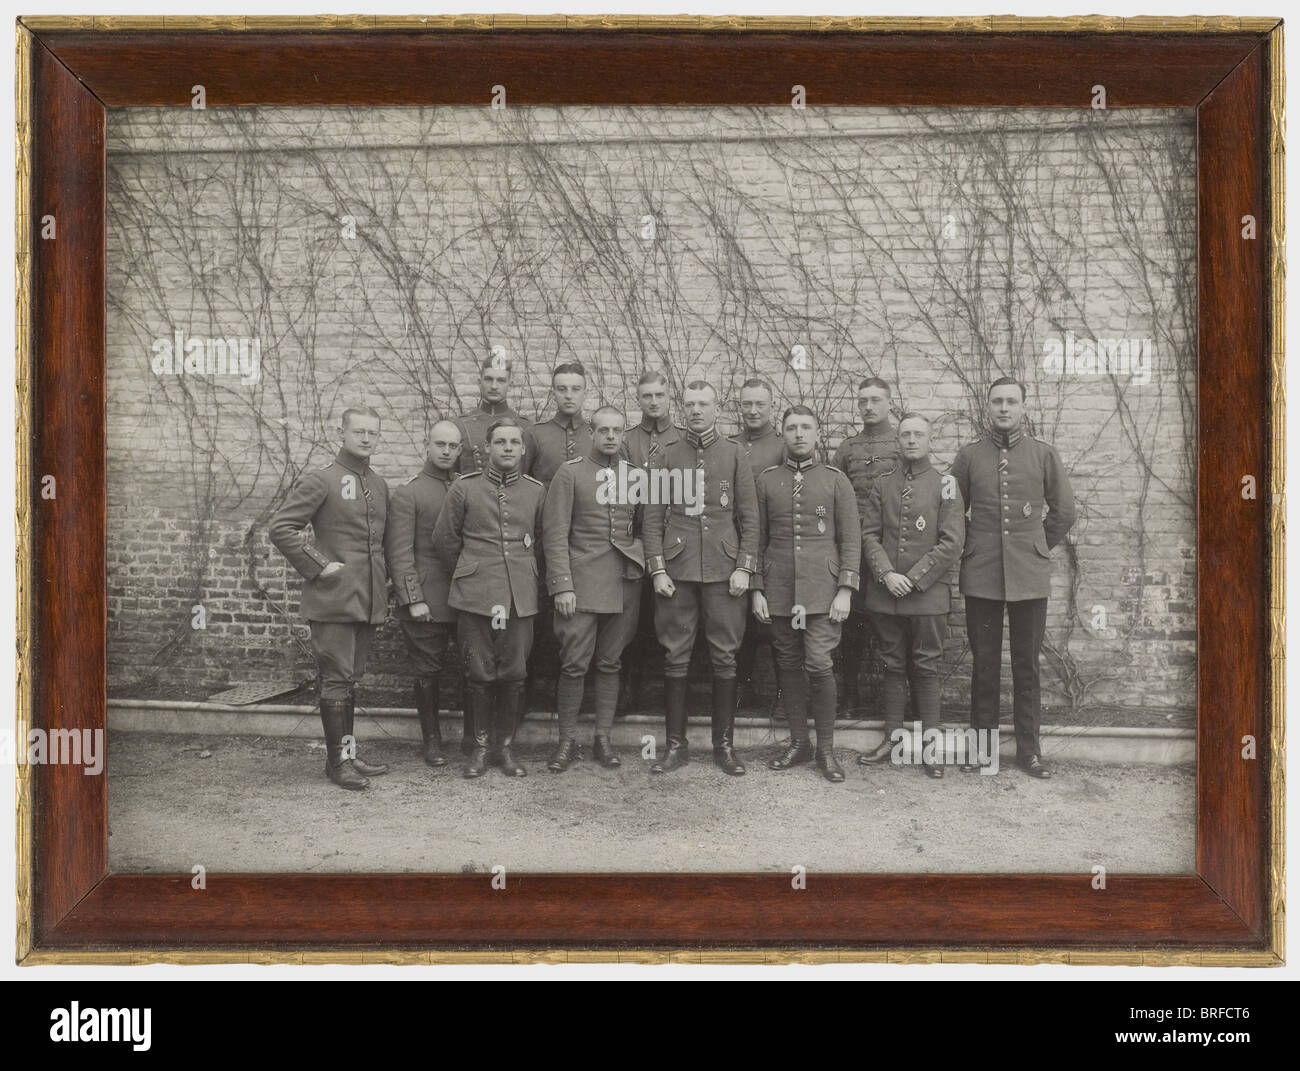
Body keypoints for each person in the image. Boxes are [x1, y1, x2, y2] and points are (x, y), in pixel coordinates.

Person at [950, 377, 1076, 778]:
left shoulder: (1043, 455)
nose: (1004, 408)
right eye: (997, 402)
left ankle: (1029, 752)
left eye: (1012, 402)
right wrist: (974, 546)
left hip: (1029, 573)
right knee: (984, 663)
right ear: (988, 407)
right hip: (982, 572)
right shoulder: (968, 457)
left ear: (1024, 406)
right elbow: (953, 512)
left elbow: (1064, 511)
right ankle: (982, 750)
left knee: (1027, 665)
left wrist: (1037, 545)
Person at [269, 406, 390, 791]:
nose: (366, 438)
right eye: (358, 431)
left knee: (350, 680)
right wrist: (318, 566)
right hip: (334, 599)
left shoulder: (378, 484)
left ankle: (349, 754)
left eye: (372, 432)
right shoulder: (322, 480)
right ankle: (337, 763)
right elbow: (282, 528)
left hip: (367, 599)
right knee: (336, 681)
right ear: (342, 432)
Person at [642, 380, 759, 775]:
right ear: (683, 407)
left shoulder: (734, 453)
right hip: (677, 568)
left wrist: (744, 566)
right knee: (676, 654)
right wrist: (657, 568)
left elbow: (750, 518)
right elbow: (653, 516)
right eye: (690, 404)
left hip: (726, 571)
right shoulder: (667, 454)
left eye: (703, 404)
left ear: (716, 407)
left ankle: (723, 747)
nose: (696, 411)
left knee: (725, 655)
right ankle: (676, 746)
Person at [431, 418, 545, 778]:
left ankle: (505, 749)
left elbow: (543, 540)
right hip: (476, 594)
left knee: (514, 672)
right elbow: (444, 540)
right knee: (478, 672)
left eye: (514, 442)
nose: (508, 448)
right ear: (487, 448)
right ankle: (479, 749)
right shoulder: (465, 488)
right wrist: (471, 573)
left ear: (524, 449)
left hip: (518, 596)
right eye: (500, 442)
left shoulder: (535, 491)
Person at [751, 406, 860, 782]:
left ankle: (825, 750)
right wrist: (757, 589)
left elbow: (851, 540)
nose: (799, 434)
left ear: (817, 433)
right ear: (782, 434)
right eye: (792, 428)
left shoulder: (836, 481)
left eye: (806, 428)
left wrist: (845, 589)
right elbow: (758, 539)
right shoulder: (767, 481)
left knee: (818, 663)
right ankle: (799, 743)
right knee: (788, 664)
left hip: (822, 590)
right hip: (780, 588)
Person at [859, 414, 965, 777]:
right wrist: (887, 573)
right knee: (892, 664)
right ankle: (893, 737)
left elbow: (952, 542)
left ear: (930, 440)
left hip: (926, 596)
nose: (911, 440)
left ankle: (931, 746)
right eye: (905, 434)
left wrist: (914, 577)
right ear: (897, 440)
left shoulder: (946, 484)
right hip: (886, 594)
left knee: (926, 665)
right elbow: (869, 534)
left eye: (918, 434)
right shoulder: (882, 484)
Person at [541, 406, 644, 771]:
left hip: (623, 583)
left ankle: (603, 738)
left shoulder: (635, 476)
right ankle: (566, 741)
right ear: (592, 433)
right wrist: (562, 586)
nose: (612, 437)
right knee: (573, 665)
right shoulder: (570, 474)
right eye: (604, 431)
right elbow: (554, 535)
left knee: (610, 662)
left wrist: (639, 562)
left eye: (618, 431)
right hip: (580, 584)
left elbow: (647, 529)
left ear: (624, 435)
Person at [383, 419, 463, 767]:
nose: (446, 451)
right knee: (427, 671)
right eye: (440, 444)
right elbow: (399, 552)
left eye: (453, 446)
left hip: (465, 598)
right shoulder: (409, 492)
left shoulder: (465, 486)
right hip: (426, 601)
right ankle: (431, 741)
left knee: (474, 669)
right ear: (426, 445)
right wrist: (413, 599)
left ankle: (474, 739)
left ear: (460, 450)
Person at [832, 377, 899, 711]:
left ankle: (898, 702)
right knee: (853, 625)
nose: (869, 407)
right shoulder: (847, 449)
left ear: (889, 402)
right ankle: (850, 695)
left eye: (875, 400)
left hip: (892, 550)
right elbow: (833, 497)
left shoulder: (903, 443)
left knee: (893, 624)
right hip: (855, 549)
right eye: (863, 401)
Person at [619, 371, 678, 712]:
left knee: (672, 618)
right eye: (647, 396)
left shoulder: (683, 439)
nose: (653, 402)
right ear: (638, 399)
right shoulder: (628, 441)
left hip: (674, 542)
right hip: (635, 542)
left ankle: (669, 696)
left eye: (659, 395)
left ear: (668, 396)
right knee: (633, 620)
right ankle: (630, 689)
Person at [729, 378, 785, 711]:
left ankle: (782, 694)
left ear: (771, 407)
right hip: (734, 543)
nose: (752, 411)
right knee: (738, 623)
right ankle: (741, 689)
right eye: (746, 404)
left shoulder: (782, 445)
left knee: (776, 622)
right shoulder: (730, 444)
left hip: (772, 543)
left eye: (759, 404)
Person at [454, 355, 523, 476]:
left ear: (510, 385)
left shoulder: (525, 426)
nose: (494, 386)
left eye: (501, 380)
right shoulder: (460, 426)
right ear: (479, 382)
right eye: (488, 379)